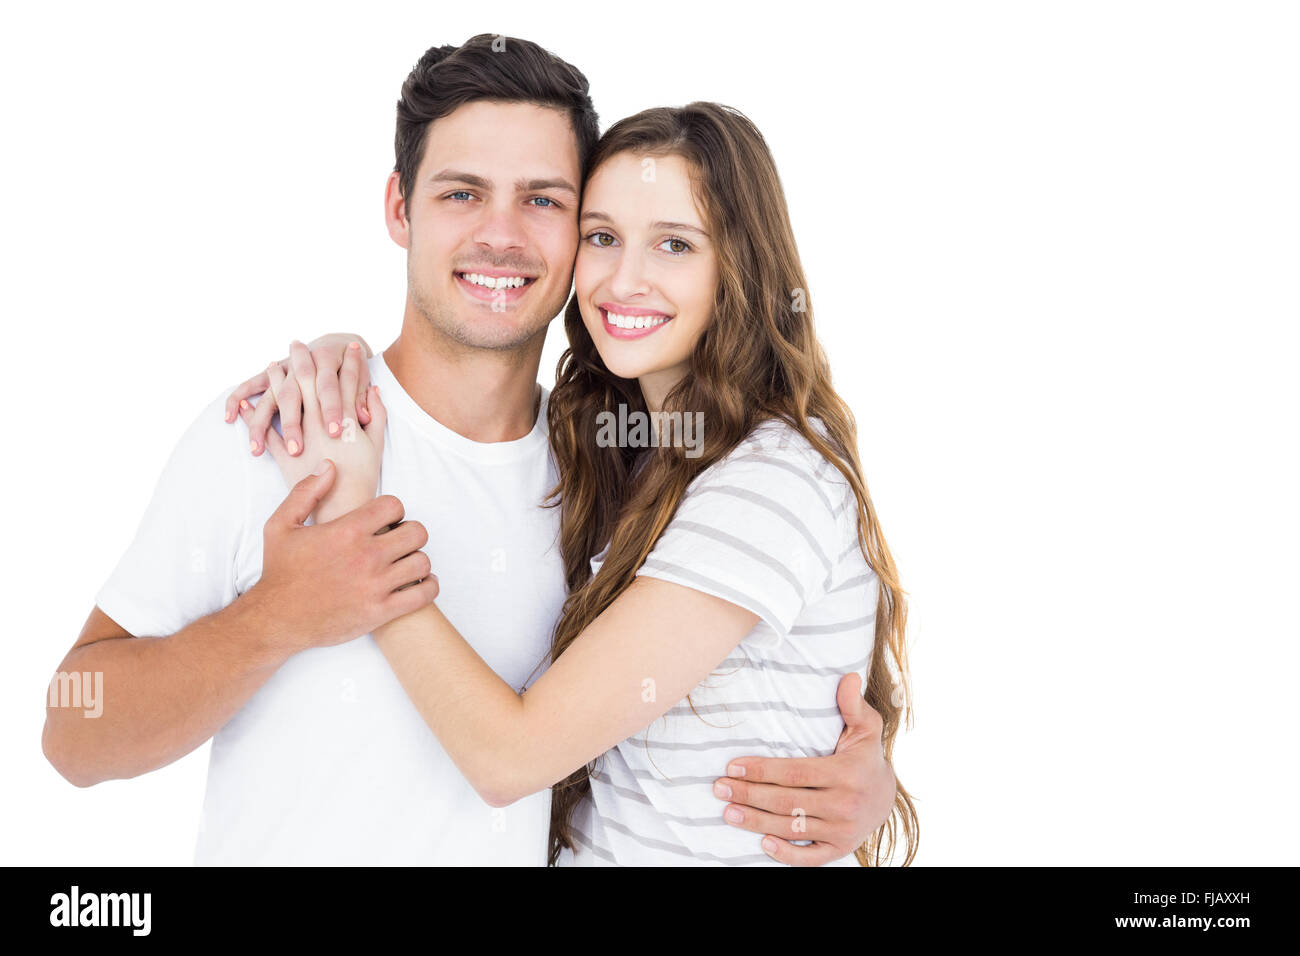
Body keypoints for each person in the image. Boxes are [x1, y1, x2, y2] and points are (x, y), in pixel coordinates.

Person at [43, 34, 898, 865]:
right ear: (397, 207)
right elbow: (71, 736)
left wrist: (865, 774)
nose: (503, 234)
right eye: (461, 193)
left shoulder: (608, 471)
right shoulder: (286, 431)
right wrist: (276, 618)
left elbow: (680, 702)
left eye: (544, 200)